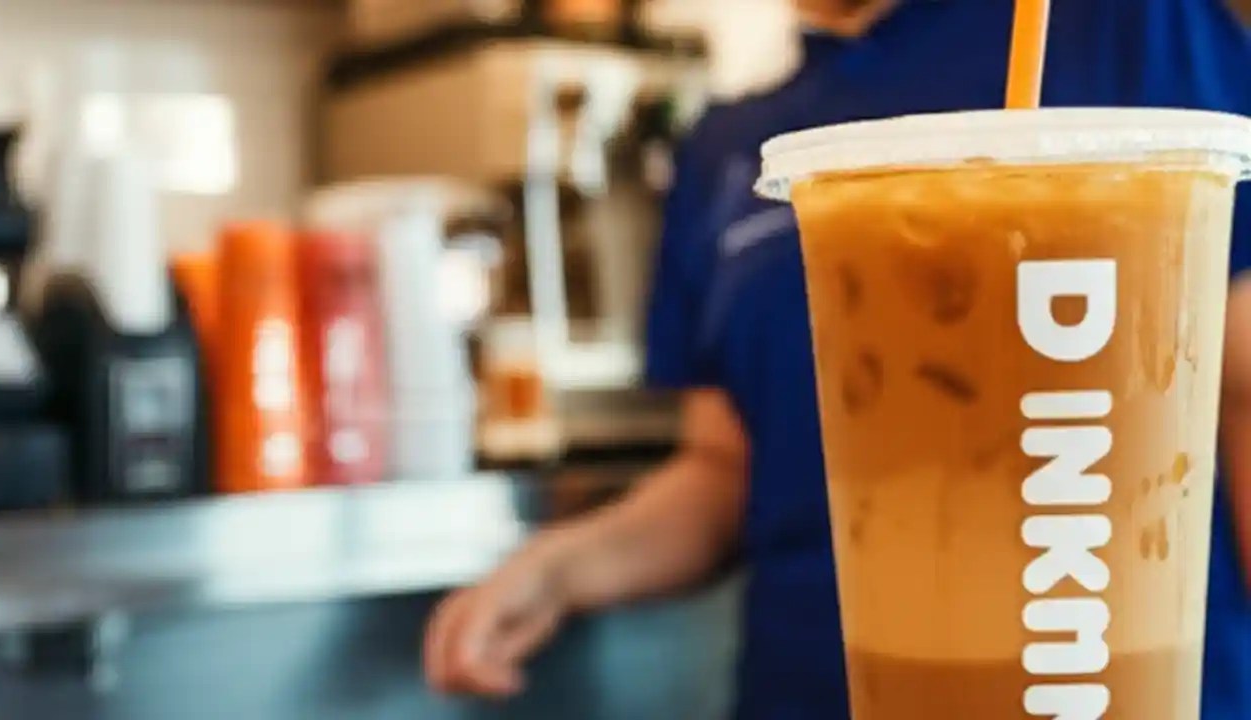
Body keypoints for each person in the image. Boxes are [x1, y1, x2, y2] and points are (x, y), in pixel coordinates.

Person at [425, 0, 1251, 717]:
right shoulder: (728, 147)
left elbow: (1239, 374)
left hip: (1093, 681)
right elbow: (721, 468)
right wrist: (558, 570)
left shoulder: (1122, 23)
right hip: (820, 691)